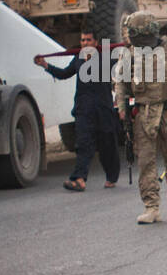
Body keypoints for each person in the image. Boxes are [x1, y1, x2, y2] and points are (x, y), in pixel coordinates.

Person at [114, 13, 167, 225]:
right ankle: (151, 206)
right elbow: (121, 83)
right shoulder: (130, 54)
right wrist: (122, 107)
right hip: (145, 114)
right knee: (145, 162)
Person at [35, 29, 120, 191]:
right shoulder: (78, 59)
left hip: (103, 110)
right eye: (82, 41)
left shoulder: (106, 58)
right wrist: (45, 65)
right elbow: (64, 74)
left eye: (88, 40)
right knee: (83, 144)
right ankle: (79, 179)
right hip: (84, 110)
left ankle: (111, 176)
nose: (85, 43)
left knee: (107, 146)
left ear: (95, 43)